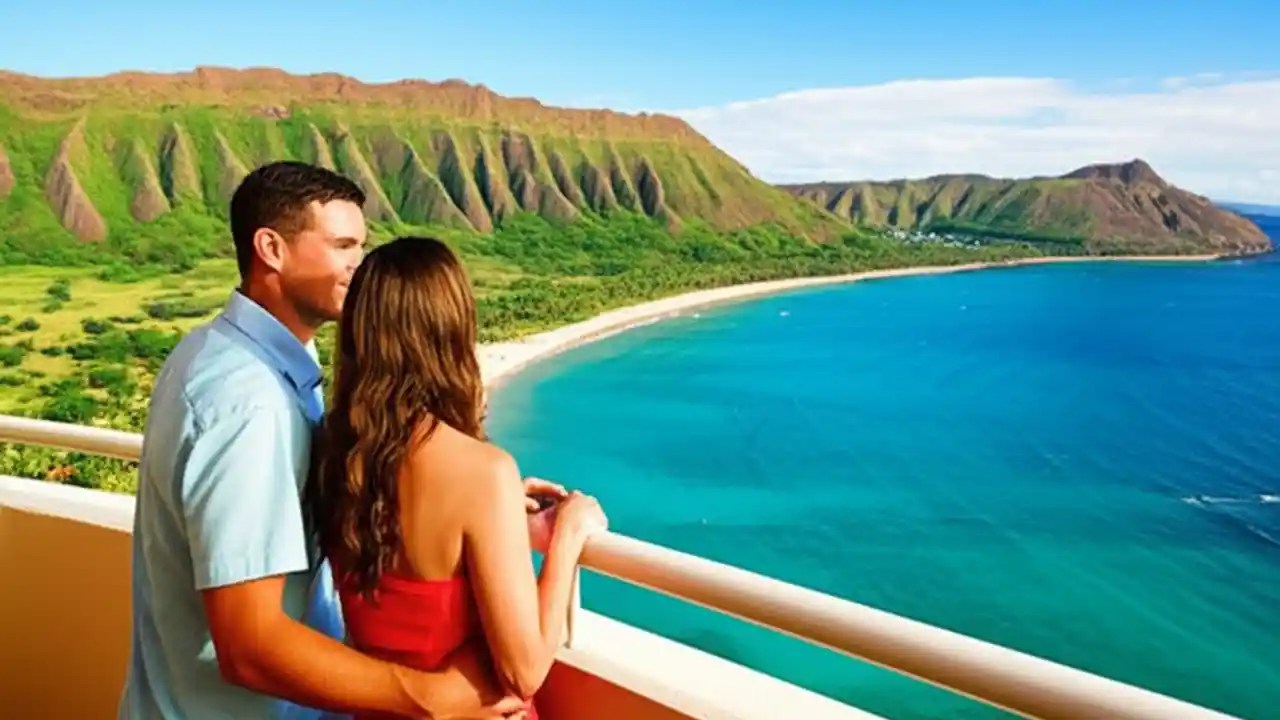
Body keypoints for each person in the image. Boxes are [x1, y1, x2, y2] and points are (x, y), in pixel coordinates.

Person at [119, 161, 525, 719]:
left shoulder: (222, 353)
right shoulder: (249, 406)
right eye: (342, 246)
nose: (360, 267)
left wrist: (479, 512)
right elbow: (250, 645)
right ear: (272, 249)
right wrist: (431, 697)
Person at [305, 236, 609, 720]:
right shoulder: (482, 472)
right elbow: (524, 671)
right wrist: (568, 536)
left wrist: (502, 510)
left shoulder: (331, 452)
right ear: (450, 332)